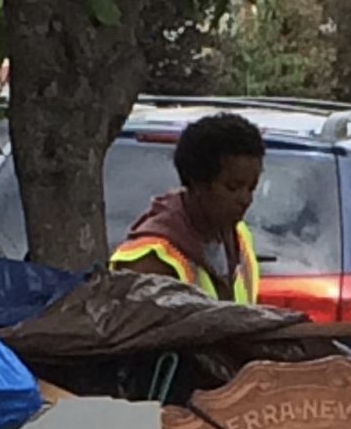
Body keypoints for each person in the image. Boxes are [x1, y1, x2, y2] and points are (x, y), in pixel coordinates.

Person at [108, 113, 264, 303]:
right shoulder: (151, 262)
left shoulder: (239, 235)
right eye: (233, 187)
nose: (246, 199)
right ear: (197, 183)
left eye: (252, 188)